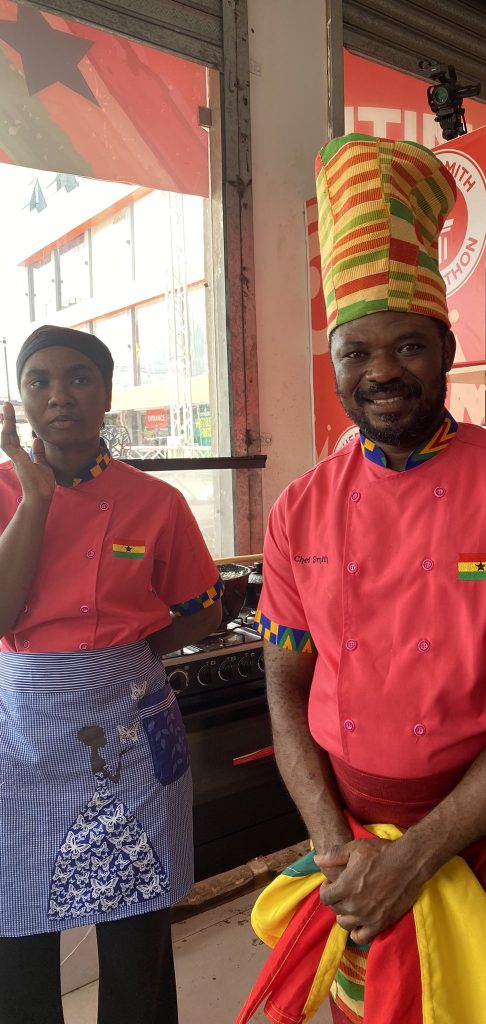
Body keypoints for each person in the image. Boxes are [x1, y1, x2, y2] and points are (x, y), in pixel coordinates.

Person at [253, 134, 486, 1023]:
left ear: (446, 347)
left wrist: (413, 858)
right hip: (347, 835)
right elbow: (285, 686)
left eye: (408, 346)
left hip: (481, 832)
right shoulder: (299, 506)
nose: (381, 371)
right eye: (356, 351)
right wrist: (340, 855)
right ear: (333, 361)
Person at [0, 325, 223, 1024]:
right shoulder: (4, 490)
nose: (59, 395)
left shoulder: (155, 502)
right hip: (22, 735)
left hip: (129, 729)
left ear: (106, 394)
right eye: (39, 381)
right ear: (20, 400)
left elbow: (200, 611)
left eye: (78, 378)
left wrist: (123, 662)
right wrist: (35, 499)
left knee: (137, 925)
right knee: (16, 923)